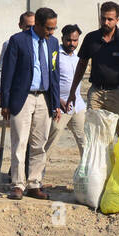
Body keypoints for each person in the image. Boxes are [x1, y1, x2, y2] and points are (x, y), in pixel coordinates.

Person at [0, 6, 61, 201]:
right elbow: (7, 73)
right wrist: (5, 102)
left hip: (44, 98)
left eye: (54, 29)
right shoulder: (18, 41)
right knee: (20, 143)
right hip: (22, 98)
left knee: (39, 144)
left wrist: (55, 102)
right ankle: (18, 184)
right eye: (49, 28)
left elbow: (54, 74)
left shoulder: (53, 44)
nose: (51, 32)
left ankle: (34, 184)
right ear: (39, 25)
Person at [66, 2, 119, 137]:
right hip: (96, 93)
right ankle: (101, 159)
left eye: (110, 19)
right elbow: (81, 65)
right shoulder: (91, 39)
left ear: (117, 20)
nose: (106, 22)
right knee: (95, 135)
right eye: (103, 18)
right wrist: (72, 91)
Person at [47, 24, 86, 157]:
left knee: (85, 142)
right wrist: (57, 101)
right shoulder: (54, 56)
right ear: (62, 38)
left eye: (75, 40)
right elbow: (48, 80)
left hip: (78, 105)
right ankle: (35, 174)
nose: (72, 43)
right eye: (69, 40)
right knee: (50, 141)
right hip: (60, 106)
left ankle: (87, 174)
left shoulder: (78, 57)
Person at [0, 11, 35, 94]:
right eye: (28, 27)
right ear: (20, 25)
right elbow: (1, 70)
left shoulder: (42, 44)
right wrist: (2, 93)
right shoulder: (10, 44)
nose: (31, 30)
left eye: (33, 27)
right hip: (19, 95)